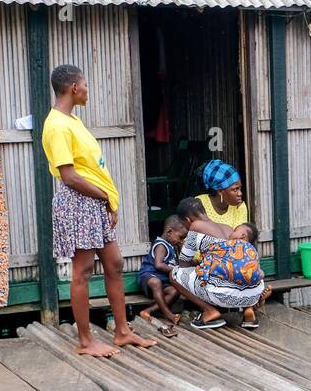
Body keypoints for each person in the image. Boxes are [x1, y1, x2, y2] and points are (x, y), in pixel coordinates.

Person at [42, 64, 154, 356]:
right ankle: (85, 341)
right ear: (73, 89)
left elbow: (90, 167)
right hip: (79, 201)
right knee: (83, 270)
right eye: (85, 85)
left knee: (114, 263)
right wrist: (105, 197)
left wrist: (106, 200)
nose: (88, 91)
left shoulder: (73, 121)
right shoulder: (56, 125)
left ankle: (122, 331)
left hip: (94, 201)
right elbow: (69, 176)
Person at [170, 221, 265, 330]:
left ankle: (209, 311)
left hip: (222, 296)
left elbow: (191, 243)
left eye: (235, 230)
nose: (230, 233)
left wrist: (187, 263)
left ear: (242, 236)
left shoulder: (221, 243)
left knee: (175, 273)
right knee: (251, 275)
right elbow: (260, 274)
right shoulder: (252, 252)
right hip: (252, 297)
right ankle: (249, 311)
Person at [137, 214, 187, 336]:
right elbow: (158, 265)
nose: (180, 241)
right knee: (156, 282)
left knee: (175, 291)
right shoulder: (161, 245)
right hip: (148, 276)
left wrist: (181, 248)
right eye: (180, 238)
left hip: (162, 281)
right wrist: (175, 270)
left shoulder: (172, 246)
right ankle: (168, 314)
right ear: (169, 232)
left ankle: (147, 311)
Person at [195, 158, 249, 228]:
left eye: (239, 188)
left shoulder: (239, 208)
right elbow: (193, 236)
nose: (240, 193)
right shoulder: (199, 204)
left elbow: (240, 237)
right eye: (235, 189)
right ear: (220, 191)